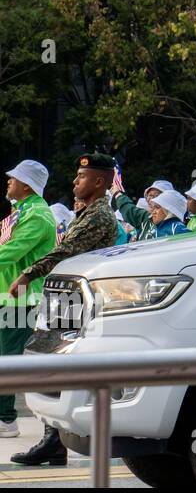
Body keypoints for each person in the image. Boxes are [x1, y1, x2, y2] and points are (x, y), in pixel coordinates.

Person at [8, 153, 121, 467]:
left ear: (99, 181)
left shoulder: (100, 215)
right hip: (68, 303)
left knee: (57, 370)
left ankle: (59, 440)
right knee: (49, 369)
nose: (75, 181)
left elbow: (65, 251)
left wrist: (28, 273)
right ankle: (53, 441)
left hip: (82, 305)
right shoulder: (87, 212)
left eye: (81, 177)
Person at [0, 160, 56, 439]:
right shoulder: (20, 211)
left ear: (26, 185)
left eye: (13, 178)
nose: (8, 181)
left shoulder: (36, 215)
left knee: (8, 358)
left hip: (24, 298)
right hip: (10, 295)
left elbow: (9, 252)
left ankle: (6, 419)